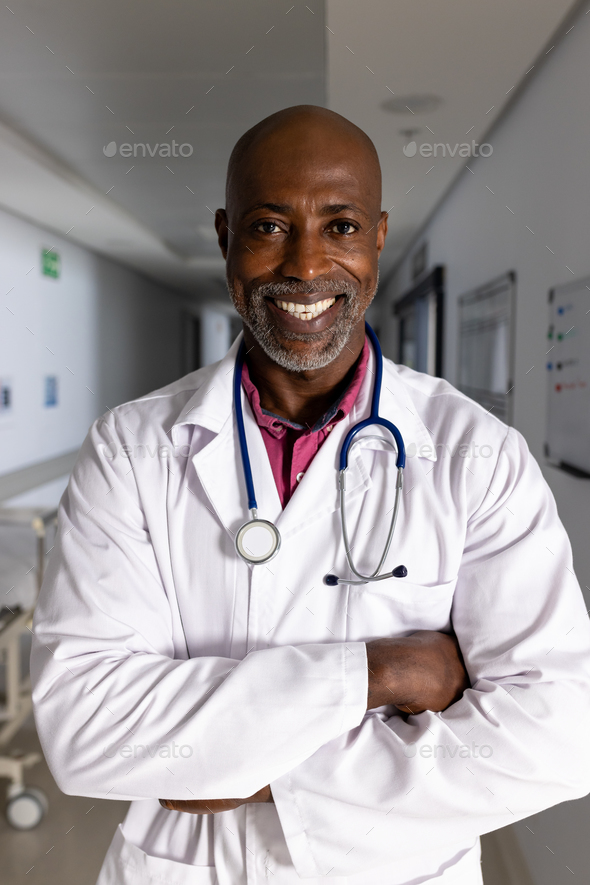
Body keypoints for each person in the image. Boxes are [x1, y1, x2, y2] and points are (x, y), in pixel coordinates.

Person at [31, 106, 590, 885]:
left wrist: (249, 775)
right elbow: (89, 732)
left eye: (341, 226)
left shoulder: (476, 455)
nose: (305, 264)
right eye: (268, 226)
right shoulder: (131, 450)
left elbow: (556, 734)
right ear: (225, 237)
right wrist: (378, 673)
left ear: (379, 238)